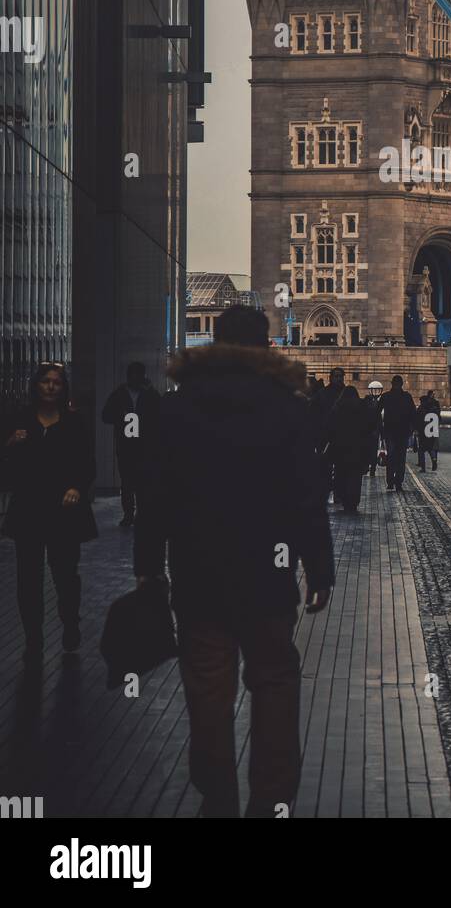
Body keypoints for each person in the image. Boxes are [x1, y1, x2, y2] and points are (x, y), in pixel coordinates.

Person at [134, 307, 333, 818]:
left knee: (207, 687)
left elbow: (154, 496)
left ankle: (216, 792)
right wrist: (320, 568)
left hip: (199, 575)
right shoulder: (288, 409)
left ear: (216, 345)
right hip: (268, 577)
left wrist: (149, 567)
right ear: (264, 346)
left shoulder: (176, 410)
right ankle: (271, 797)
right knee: (274, 679)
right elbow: (307, 496)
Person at [1, 363, 97, 661]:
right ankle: (34, 639)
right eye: (45, 381)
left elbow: (86, 462)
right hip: (28, 509)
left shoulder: (74, 422)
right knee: (28, 579)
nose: (51, 386)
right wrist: (10, 444)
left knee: (65, 575)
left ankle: (70, 621)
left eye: (56, 382)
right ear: (36, 386)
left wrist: (77, 487)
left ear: (63, 387)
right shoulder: (19, 421)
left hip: (63, 511)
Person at [101, 362, 161, 527]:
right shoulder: (120, 394)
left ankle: (138, 513)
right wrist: (121, 417)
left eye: (138, 375)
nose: (135, 378)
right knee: (127, 481)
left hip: (144, 443)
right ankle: (129, 514)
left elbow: (160, 412)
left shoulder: (147, 394)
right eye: (132, 375)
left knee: (141, 480)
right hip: (126, 443)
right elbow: (105, 415)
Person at [329, 385, 368, 513]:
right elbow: (367, 428)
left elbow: (330, 427)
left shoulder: (337, 407)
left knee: (342, 474)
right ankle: (353, 501)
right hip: (357, 447)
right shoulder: (361, 408)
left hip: (341, 448)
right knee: (355, 476)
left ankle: (345, 499)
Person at [310, 367, 346, 502]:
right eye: (336, 376)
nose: (338, 379)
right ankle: (325, 492)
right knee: (325, 467)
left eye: (340, 376)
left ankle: (338, 494)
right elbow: (314, 414)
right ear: (331, 378)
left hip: (341, 436)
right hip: (324, 436)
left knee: (340, 468)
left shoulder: (346, 393)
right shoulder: (322, 394)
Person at [380, 375, 416, 492]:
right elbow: (413, 414)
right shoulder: (407, 397)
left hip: (390, 431)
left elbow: (377, 413)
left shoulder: (386, 396)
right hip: (402, 431)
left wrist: (381, 429)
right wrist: (411, 429)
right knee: (400, 458)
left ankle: (391, 481)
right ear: (402, 384)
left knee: (391, 457)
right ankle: (398, 482)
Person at [416, 390, 442, 472]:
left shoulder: (422, 408)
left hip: (424, 431)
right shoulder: (434, 407)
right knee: (431, 448)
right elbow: (439, 418)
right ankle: (434, 460)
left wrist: (416, 429)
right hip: (433, 430)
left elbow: (418, 419)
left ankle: (423, 467)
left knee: (421, 450)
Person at [362, 381, 384, 477]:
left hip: (371, 430)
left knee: (369, 449)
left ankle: (370, 467)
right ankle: (370, 467)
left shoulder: (372, 403)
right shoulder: (372, 403)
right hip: (372, 430)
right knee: (370, 449)